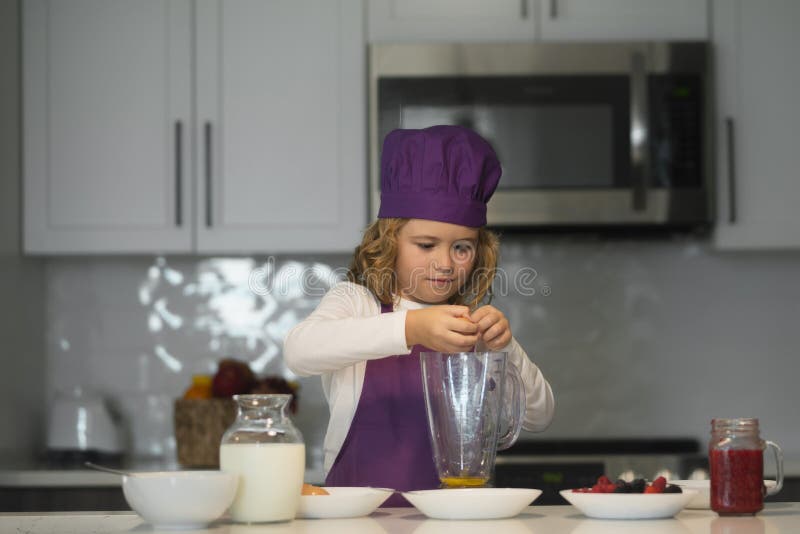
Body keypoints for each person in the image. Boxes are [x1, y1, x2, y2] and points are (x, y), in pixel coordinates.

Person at [284, 125, 554, 506]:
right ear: (389, 240)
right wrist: (412, 328)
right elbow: (299, 351)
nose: (445, 263)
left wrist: (506, 348)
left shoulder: (471, 325)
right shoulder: (357, 303)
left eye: (462, 247)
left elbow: (539, 417)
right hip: (357, 520)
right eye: (426, 245)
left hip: (452, 518)